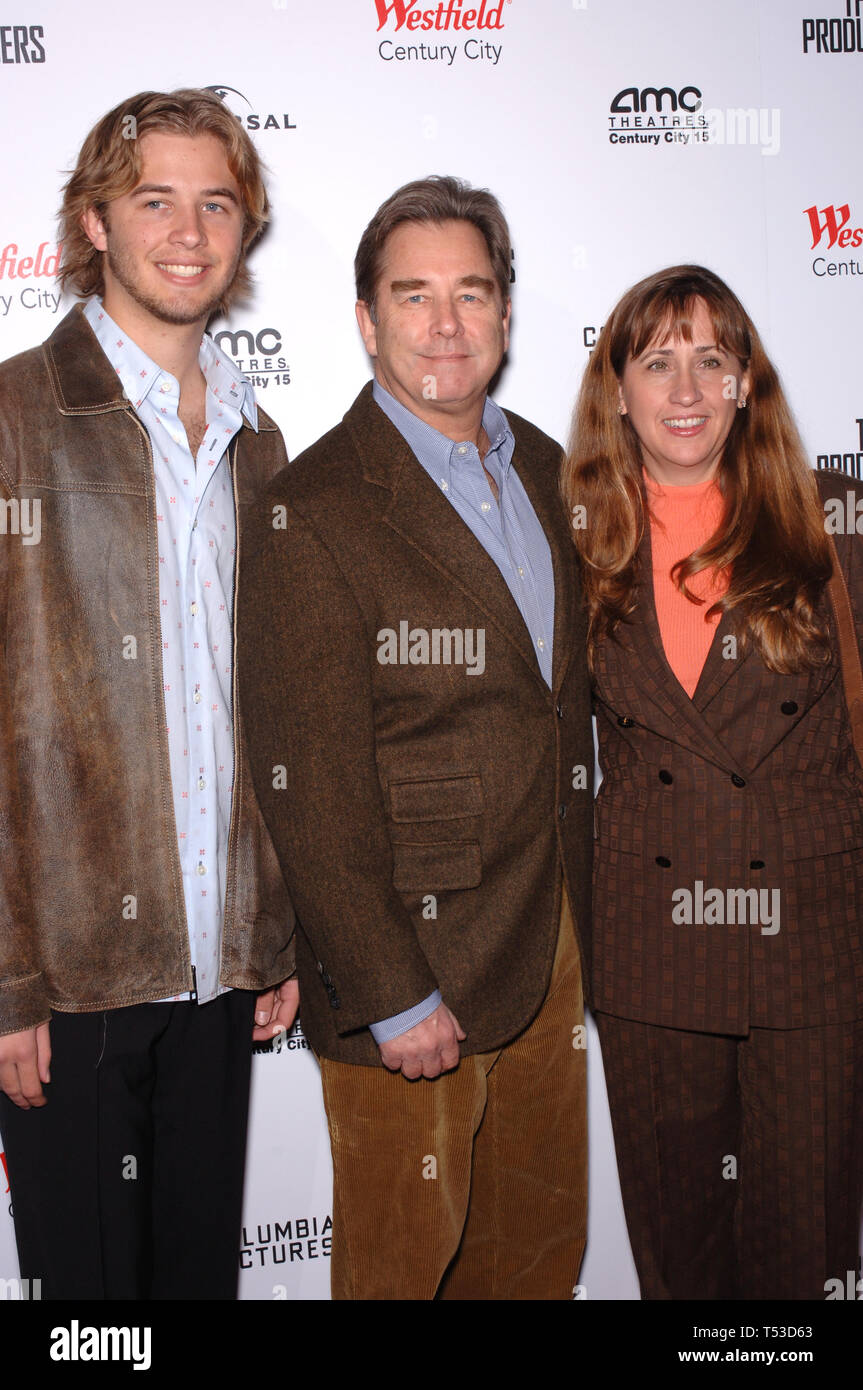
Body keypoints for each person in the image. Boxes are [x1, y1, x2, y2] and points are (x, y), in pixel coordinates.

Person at [238, 176, 593, 1300]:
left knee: (534, 1257)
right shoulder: (314, 507)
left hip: (551, 940)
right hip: (414, 959)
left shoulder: (552, 470)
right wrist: (390, 990)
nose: (446, 324)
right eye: (413, 295)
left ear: (505, 314)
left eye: (471, 293)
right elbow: (307, 781)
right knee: (400, 1268)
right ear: (365, 319)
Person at [0, 88, 297, 1301]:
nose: (188, 232)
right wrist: (7, 979)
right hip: (70, 972)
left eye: (215, 204)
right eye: (154, 201)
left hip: (219, 968)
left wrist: (271, 925)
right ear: (94, 224)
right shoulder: (16, 414)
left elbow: (263, 706)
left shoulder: (259, 438)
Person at [562, 263, 863, 1300]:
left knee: (804, 1254)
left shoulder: (833, 518)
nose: (685, 389)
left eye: (711, 360)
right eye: (657, 362)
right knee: (678, 1257)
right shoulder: (573, 535)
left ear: (745, 383)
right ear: (617, 390)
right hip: (653, 944)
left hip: (811, 942)